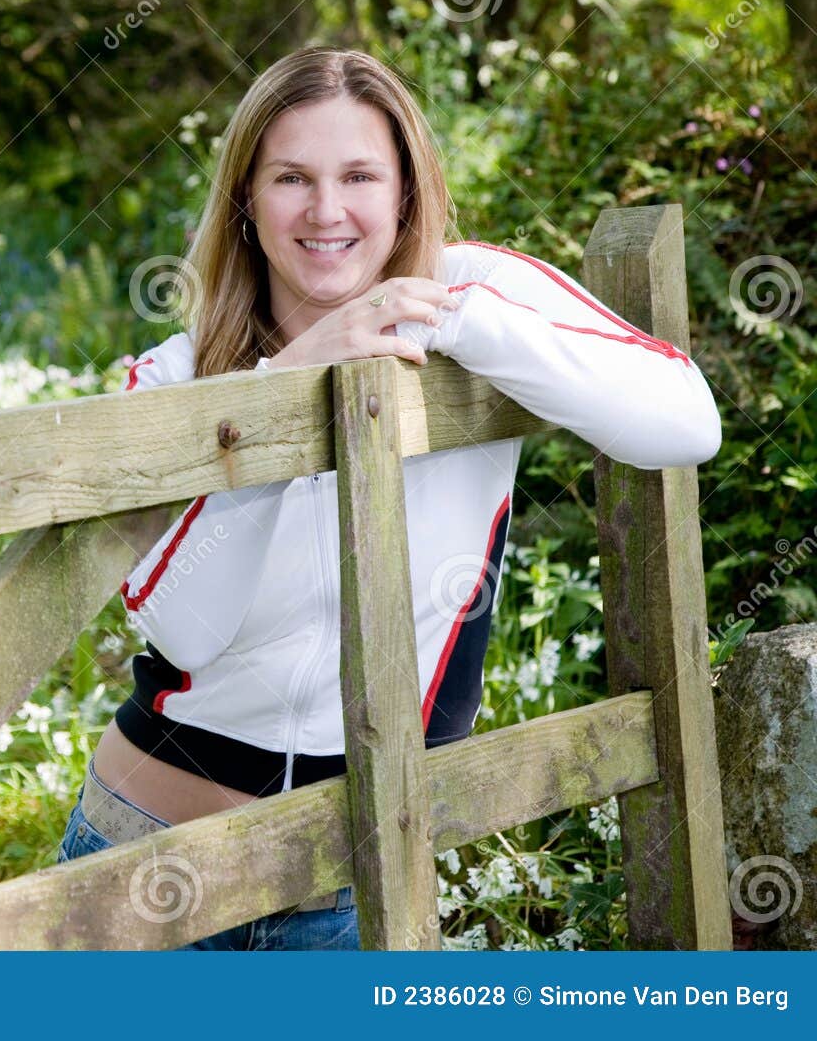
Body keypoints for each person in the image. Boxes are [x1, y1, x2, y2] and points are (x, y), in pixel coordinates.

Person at [55, 46, 723, 950]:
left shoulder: (475, 293)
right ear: (247, 200)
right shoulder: (173, 378)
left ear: (406, 190)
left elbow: (684, 420)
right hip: (143, 863)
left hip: (351, 884)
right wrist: (288, 386)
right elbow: (186, 631)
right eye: (291, 177)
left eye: (360, 175)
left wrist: (445, 317)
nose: (326, 211)